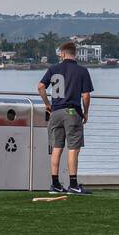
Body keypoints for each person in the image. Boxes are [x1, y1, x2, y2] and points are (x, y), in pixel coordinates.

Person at [36, 41, 94, 195]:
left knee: (57, 148)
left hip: (55, 113)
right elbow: (86, 95)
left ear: (62, 54)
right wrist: (86, 112)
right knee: (73, 149)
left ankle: (55, 184)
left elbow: (40, 86)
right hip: (71, 112)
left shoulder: (53, 69)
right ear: (74, 53)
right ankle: (73, 185)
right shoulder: (82, 71)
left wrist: (47, 104)